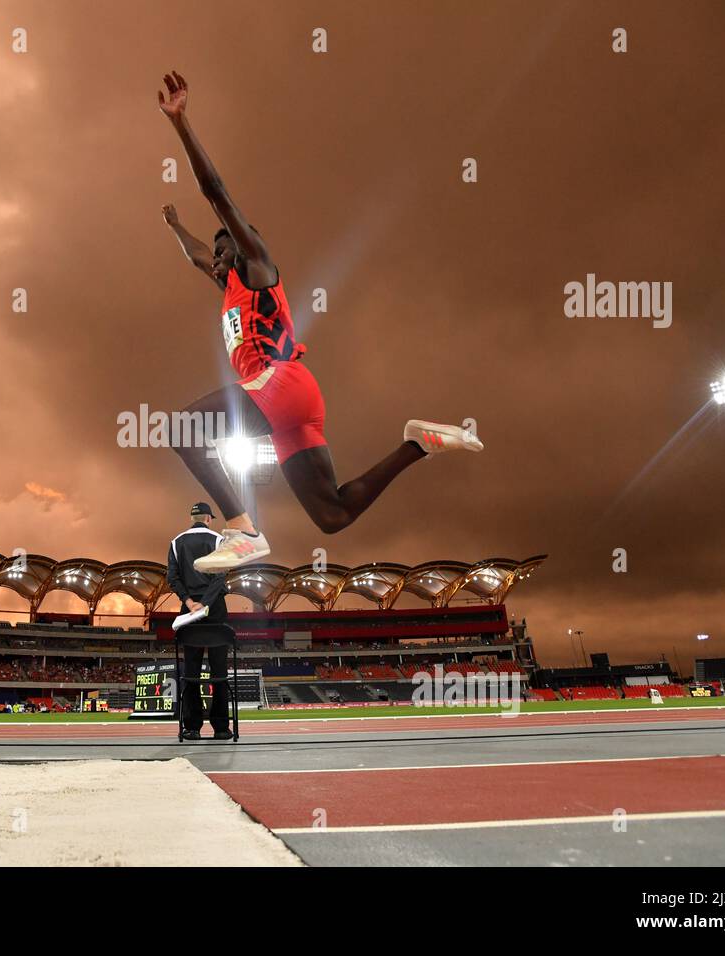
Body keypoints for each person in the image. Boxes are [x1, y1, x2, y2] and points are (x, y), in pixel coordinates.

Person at [157, 70, 483, 573]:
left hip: (281, 385)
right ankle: (418, 444)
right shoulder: (231, 291)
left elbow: (217, 193)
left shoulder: (260, 268)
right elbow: (197, 256)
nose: (217, 261)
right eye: (217, 258)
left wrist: (182, 125)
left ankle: (242, 529)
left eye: (225, 251)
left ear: (242, 249)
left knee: (182, 428)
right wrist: (177, 226)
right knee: (333, 515)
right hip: (294, 405)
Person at [165, 502, 231, 740]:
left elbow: (172, 578)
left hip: (189, 611)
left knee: (191, 671)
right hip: (215, 611)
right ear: (208, 518)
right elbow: (219, 577)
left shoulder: (176, 542)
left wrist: (190, 602)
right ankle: (222, 728)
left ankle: (191, 727)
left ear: (192, 517)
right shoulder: (218, 540)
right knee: (219, 671)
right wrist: (207, 603)